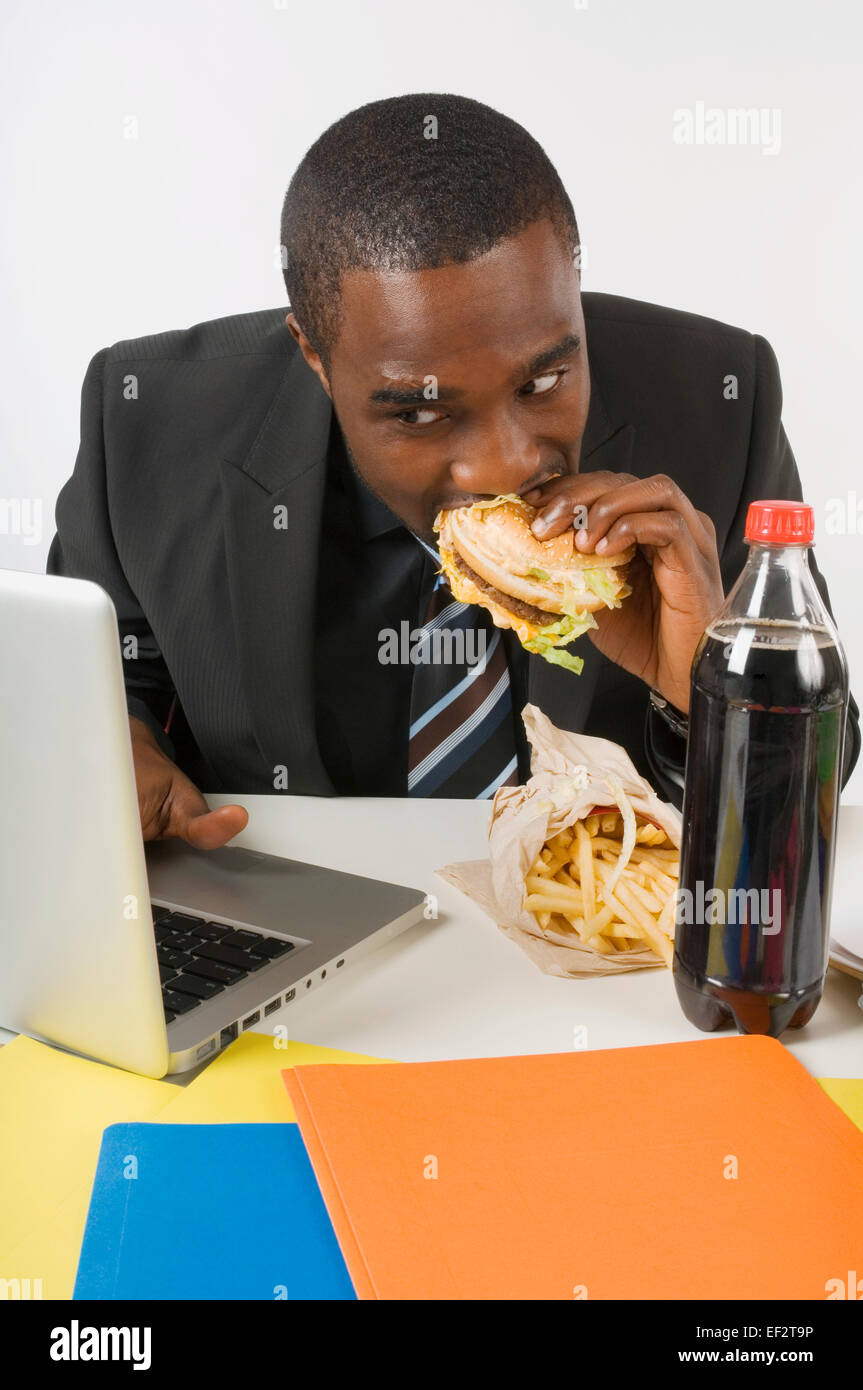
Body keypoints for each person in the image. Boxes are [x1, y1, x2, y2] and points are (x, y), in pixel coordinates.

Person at [47, 93, 860, 848]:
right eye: (420, 413)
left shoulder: (716, 399)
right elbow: (101, 672)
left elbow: (814, 791)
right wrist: (117, 746)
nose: (505, 464)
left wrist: (707, 691)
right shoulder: (148, 419)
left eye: (541, 383)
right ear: (315, 356)